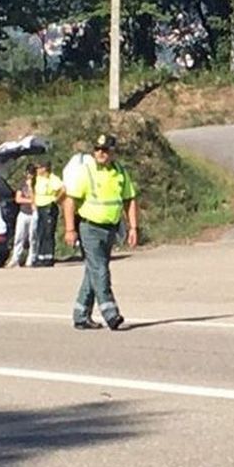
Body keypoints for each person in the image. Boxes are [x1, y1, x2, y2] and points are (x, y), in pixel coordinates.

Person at [63, 133, 139, 330]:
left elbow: (129, 200)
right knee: (100, 270)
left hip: (110, 229)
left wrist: (133, 227)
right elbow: (69, 201)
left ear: (113, 152)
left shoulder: (120, 172)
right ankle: (110, 312)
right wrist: (70, 229)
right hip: (89, 227)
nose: (100, 153)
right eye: (97, 149)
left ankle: (81, 314)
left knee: (93, 271)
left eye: (105, 150)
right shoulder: (86, 172)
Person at [31, 160, 65, 267]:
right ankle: (40, 256)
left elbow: (63, 189)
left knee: (48, 233)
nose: (38, 170)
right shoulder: (37, 179)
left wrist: (56, 199)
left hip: (49, 207)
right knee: (40, 232)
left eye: (39, 168)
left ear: (45, 168)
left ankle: (48, 257)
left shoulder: (52, 179)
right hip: (40, 207)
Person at [7, 165, 37, 267]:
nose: (30, 176)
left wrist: (30, 188)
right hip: (23, 213)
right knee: (19, 236)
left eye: (32, 173)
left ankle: (31, 258)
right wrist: (30, 201)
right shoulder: (22, 183)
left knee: (32, 237)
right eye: (29, 173)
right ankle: (15, 258)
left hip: (33, 214)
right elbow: (18, 199)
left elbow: (37, 199)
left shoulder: (37, 184)